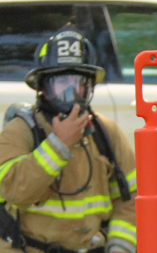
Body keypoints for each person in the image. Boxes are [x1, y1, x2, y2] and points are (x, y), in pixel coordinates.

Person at [0, 25, 137, 253]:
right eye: (62, 83)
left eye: (79, 83)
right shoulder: (20, 132)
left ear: (89, 87)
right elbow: (14, 193)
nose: (72, 92)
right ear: (43, 87)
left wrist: (120, 247)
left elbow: (131, 199)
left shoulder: (106, 133)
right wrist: (58, 145)